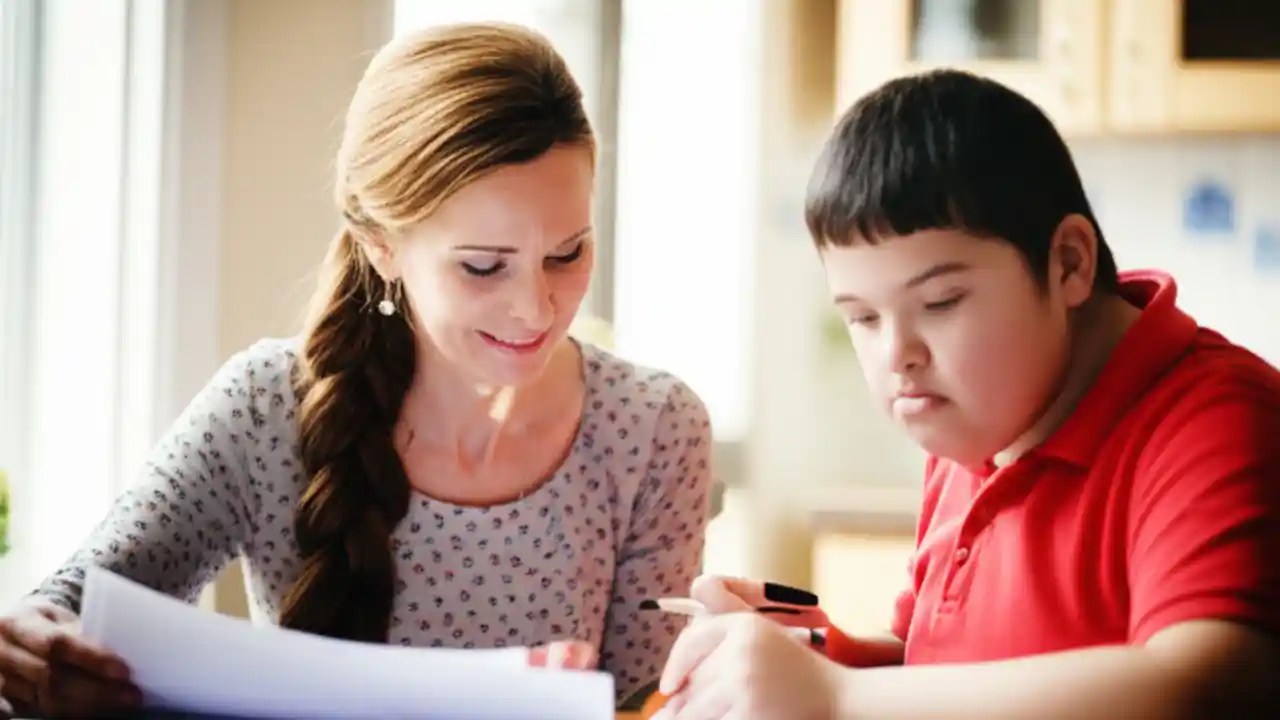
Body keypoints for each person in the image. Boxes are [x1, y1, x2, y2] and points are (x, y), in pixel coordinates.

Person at [0, 22, 714, 718]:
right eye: (482, 266)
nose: (536, 309)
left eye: (567, 253)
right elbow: (66, 609)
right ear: (381, 247)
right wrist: (34, 650)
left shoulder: (652, 428)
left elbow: (648, 705)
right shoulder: (263, 407)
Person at [654, 69, 1280, 719]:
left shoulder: (1217, 420)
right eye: (863, 317)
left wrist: (838, 698)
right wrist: (819, 655)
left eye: (940, 302)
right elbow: (930, 668)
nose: (898, 355)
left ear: (1069, 262)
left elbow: (1201, 685)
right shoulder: (982, 418)